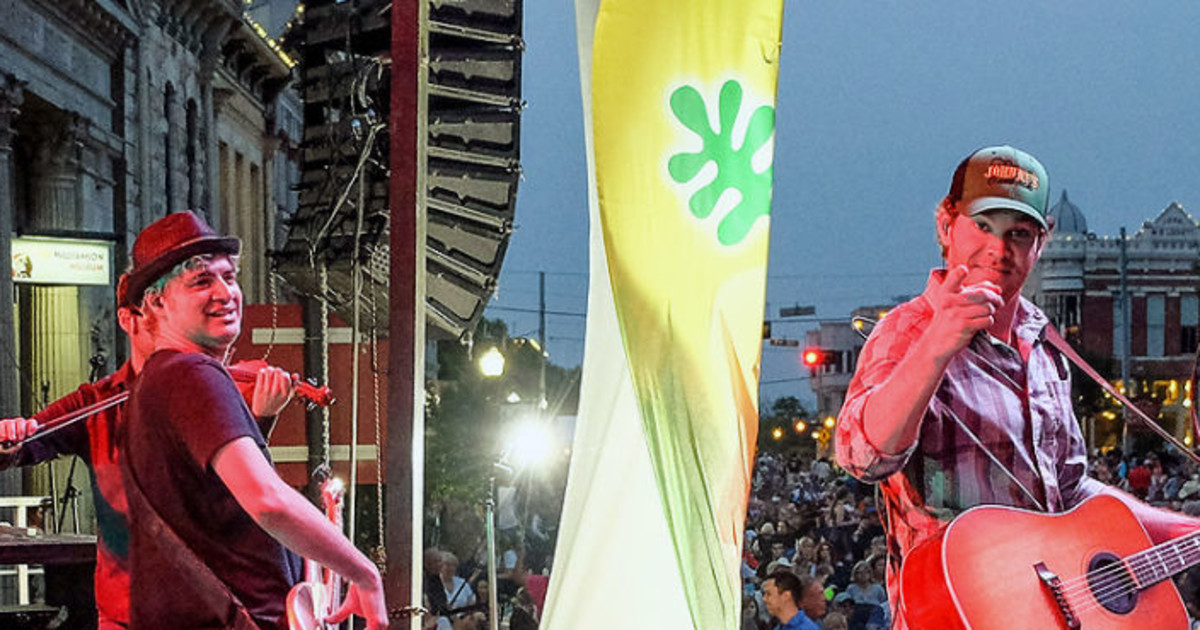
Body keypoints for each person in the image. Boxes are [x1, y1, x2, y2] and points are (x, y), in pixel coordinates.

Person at [835, 145, 1200, 628]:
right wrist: (936, 348)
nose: (999, 250)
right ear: (946, 225)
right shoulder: (905, 332)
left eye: (1019, 234)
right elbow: (863, 455)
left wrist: (1185, 529)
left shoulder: (1045, 348)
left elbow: (1069, 491)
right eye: (982, 226)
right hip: (952, 613)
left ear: (1041, 243)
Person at [118, 211, 387, 629]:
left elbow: (213, 510)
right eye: (202, 281)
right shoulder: (191, 375)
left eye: (229, 277)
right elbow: (267, 501)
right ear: (156, 302)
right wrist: (363, 572)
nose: (225, 293)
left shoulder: (161, 378)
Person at [0, 273, 294, 630]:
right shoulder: (96, 403)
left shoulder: (208, 394)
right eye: (155, 312)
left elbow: (234, 500)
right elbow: (28, 444)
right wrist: (10, 441)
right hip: (129, 606)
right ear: (128, 318)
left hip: (208, 602)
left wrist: (260, 421)